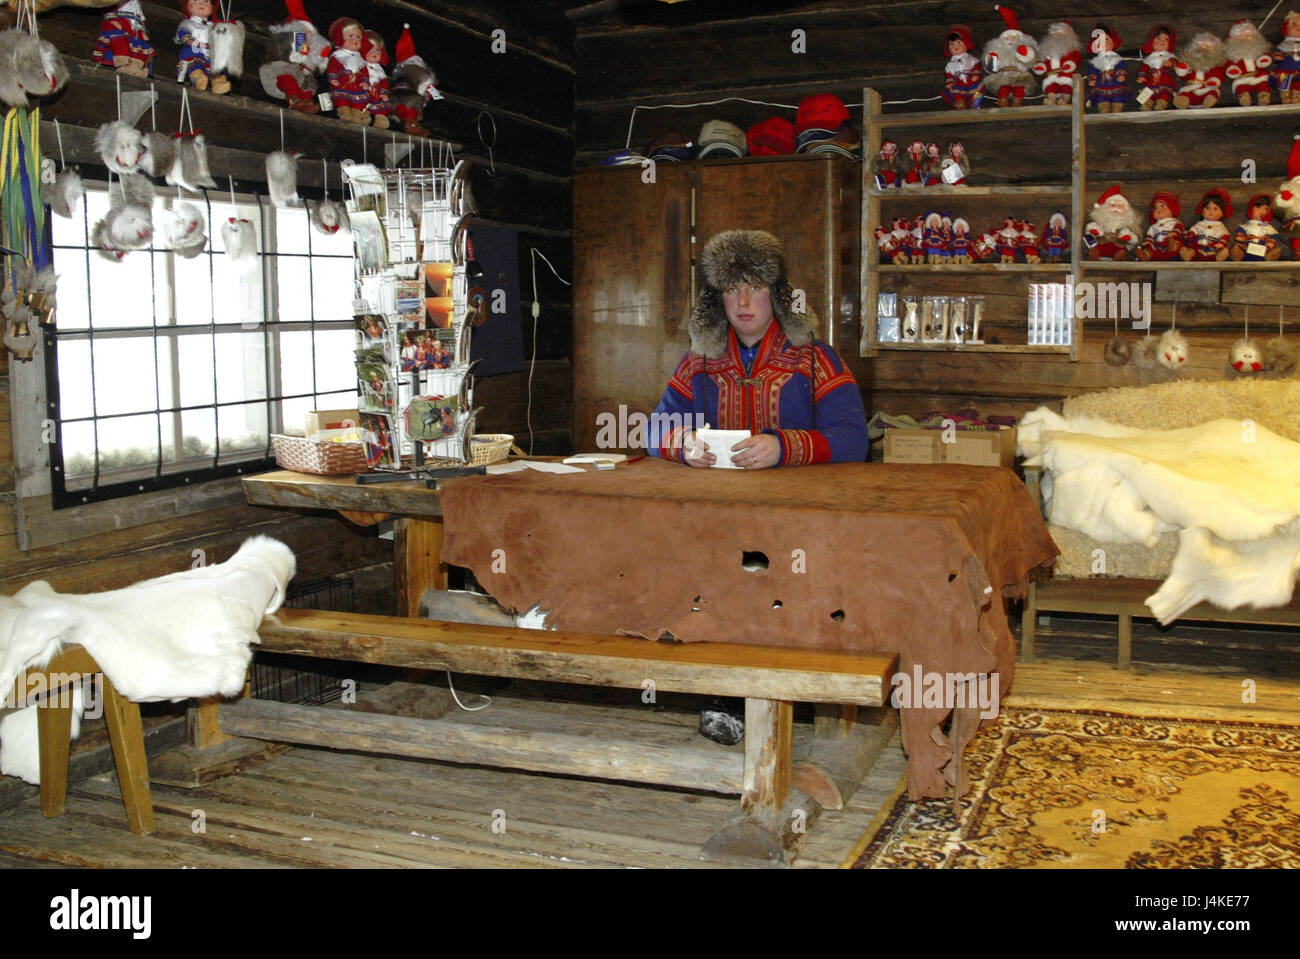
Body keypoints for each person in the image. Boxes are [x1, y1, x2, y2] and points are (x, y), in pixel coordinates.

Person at [648, 229, 868, 469]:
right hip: (717, 499)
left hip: (798, 500)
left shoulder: (817, 359)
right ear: (718, 299)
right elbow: (654, 430)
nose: (743, 302)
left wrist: (783, 447)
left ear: (776, 294)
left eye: (755, 287)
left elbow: (853, 439)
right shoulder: (698, 362)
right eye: (731, 289)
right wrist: (683, 443)